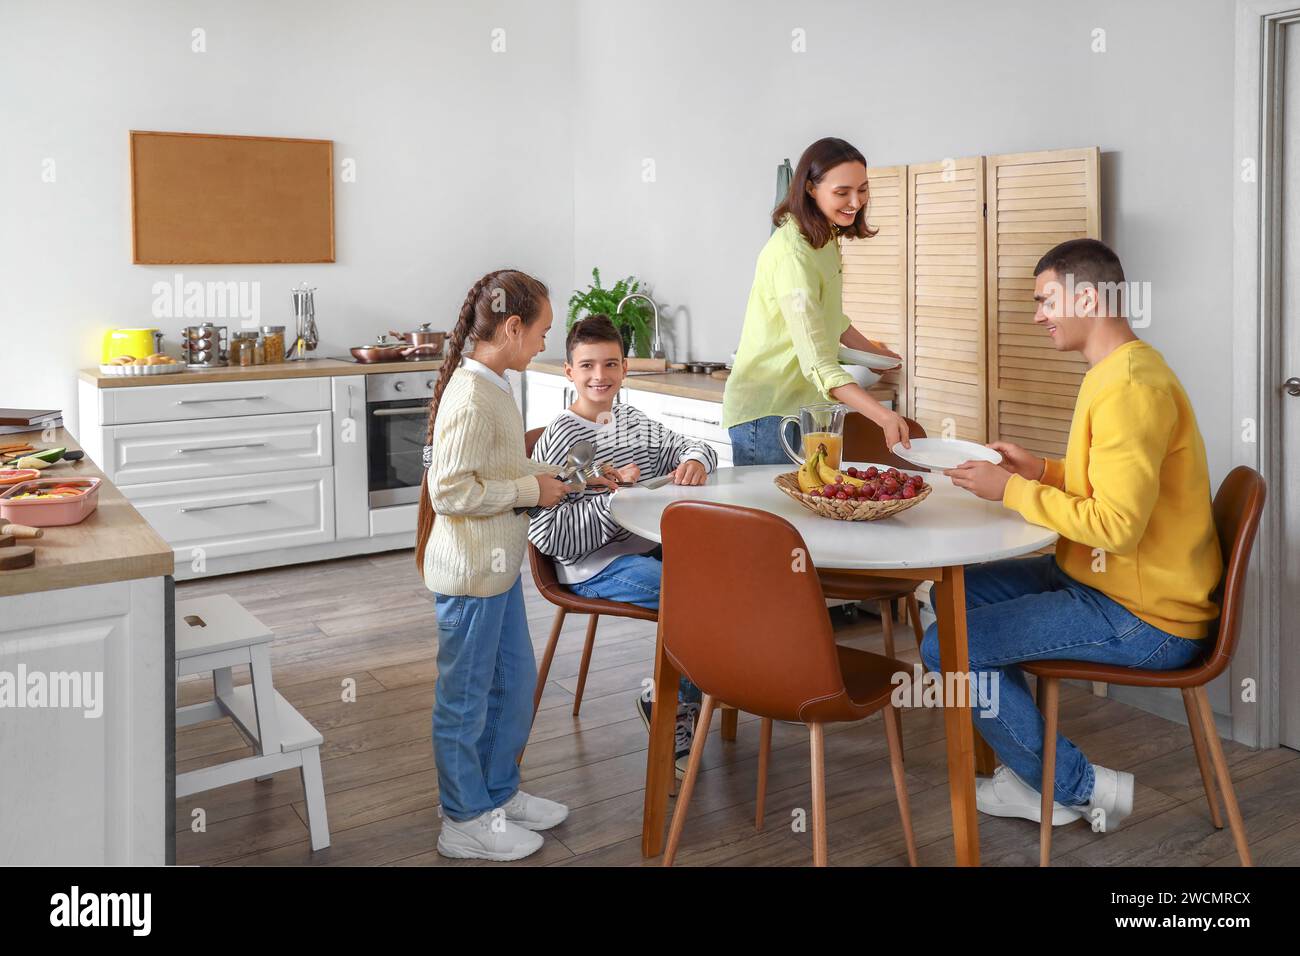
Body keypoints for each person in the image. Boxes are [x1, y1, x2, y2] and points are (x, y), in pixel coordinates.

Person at [922, 238, 1222, 833]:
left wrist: (1007, 491)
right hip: (1102, 582)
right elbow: (1109, 487)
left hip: (1147, 617)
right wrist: (1038, 472)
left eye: (1044, 301)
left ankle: (1079, 787)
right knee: (950, 598)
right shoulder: (1114, 371)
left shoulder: (1131, 389)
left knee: (945, 647)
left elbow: (1116, 525)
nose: (1038, 316)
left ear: (1087, 297)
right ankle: (1033, 772)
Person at [417, 269, 574, 862]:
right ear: (511, 327)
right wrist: (531, 491)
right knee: (465, 698)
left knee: (511, 686)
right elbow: (450, 492)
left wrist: (542, 477)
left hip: (499, 567)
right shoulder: (472, 393)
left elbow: (499, 467)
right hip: (470, 573)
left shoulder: (498, 384)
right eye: (540, 332)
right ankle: (462, 816)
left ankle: (498, 794)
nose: (543, 344)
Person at [528, 314, 717, 777]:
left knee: (724, 577)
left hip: (644, 547)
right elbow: (552, 537)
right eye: (587, 365)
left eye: (610, 364)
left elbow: (691, 443)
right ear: (569, 371)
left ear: (625, 368)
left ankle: (708, 690)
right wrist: (618, 502)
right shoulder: (562, 438)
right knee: (696, 599)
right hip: (592, 567)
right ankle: (669, 708)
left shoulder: (633, 422)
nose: (600, 376)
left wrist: (694, 458)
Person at [722, 136, 909, 464]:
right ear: (810, 188)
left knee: (802, 511)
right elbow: (819, 364)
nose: (856, 201)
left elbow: (832, 320)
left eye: (862, 189)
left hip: (803, 405)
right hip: (767, 412)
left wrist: (876, 355)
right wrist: (882, 416)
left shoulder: (825, 239)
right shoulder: (794, 254)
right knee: (772, 513)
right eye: (842, 192)